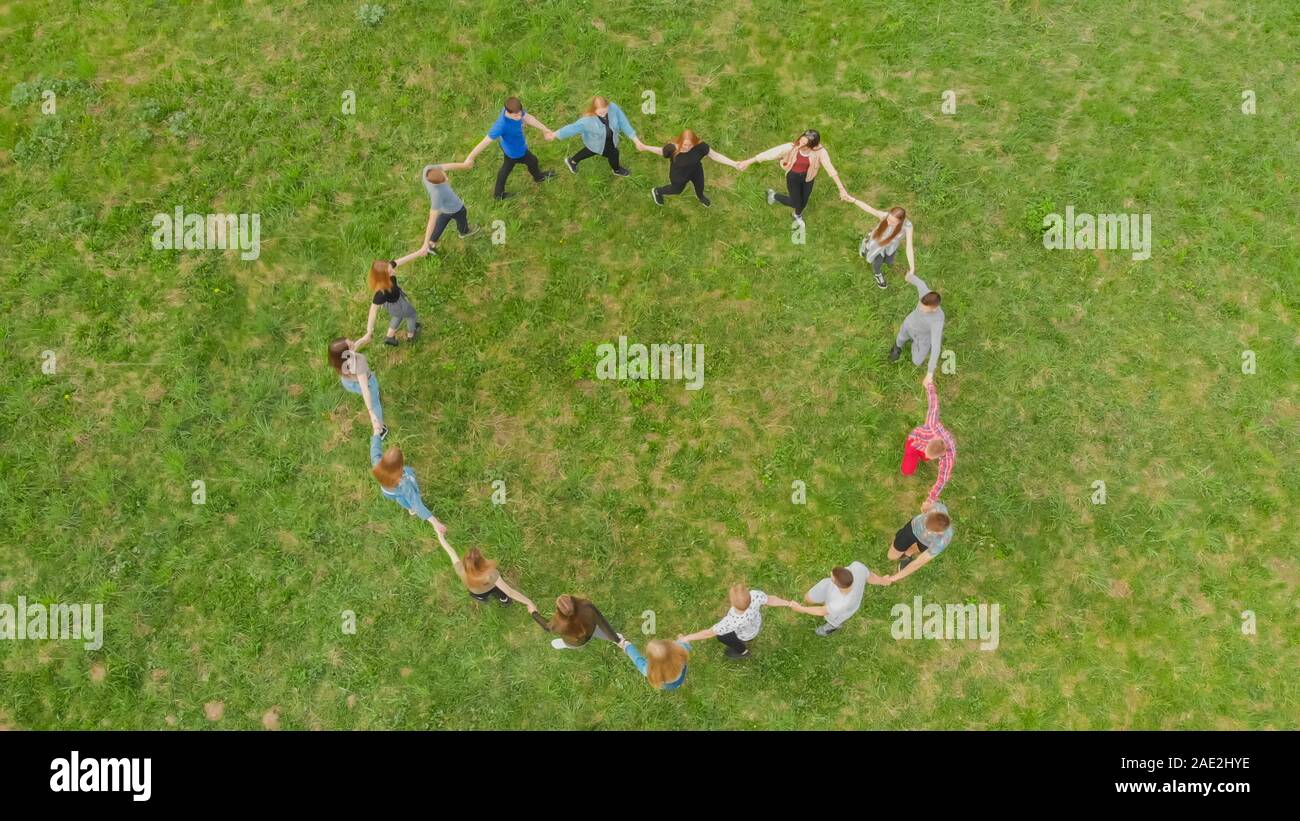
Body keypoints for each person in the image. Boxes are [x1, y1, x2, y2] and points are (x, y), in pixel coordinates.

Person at [738, 130, 848, 226]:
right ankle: (774, 196)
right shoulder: (791, 147)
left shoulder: (820, 152)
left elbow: (830, 169)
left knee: (804, 202)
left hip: (809, 178)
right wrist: (748, 162)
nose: (800, 144)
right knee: (796, 203)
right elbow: (770, 154)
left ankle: (797, 215)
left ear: (813, 146)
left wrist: (841, 189)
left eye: (805, 143)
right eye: (801, 140)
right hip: (793, 177)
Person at [463, 96, 558, 200]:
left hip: (507, 146)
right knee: (532, 161)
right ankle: (538, 177)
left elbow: (529, 118)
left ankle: (498, 194)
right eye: (516, 116)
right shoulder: (501, 125)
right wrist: (470, 157)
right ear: (508, 112)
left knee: (507, 168)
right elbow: (485, 142)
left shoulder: (514, 109)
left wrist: (545, 129)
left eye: (520, 114)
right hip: (516, 151)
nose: (519, 117)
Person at [676, 584, 796, 659]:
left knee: (721, 636)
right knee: (727, 634)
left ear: (732, 603)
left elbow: (708, 633)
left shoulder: (731, 621)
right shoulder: (755, 596)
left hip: (744, 635)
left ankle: (743, 652)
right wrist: (789, 603)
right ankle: (746, 644)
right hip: (755, 626)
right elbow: (771, 599)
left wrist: (686, 638)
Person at [632, 128, 741, 207]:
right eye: (684, 145)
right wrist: (645, 147)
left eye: (690, 145)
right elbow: (660, 151)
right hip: (679, 175)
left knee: (700, 186)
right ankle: (657, 191)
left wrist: (734, 164)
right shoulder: (672, 148)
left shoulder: (700, 146)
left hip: (695, 170)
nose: (687, 148)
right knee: (676, 190)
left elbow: (715, 155)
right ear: (679, 142)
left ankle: (700, 196)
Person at [369, 434, 448, 536]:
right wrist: (435, 522)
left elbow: (374, 450)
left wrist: (376, 434)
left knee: (399, 498)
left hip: (387, 492)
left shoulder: (377, 464)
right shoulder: (404, 484)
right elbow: (417, 504)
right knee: (407, 500)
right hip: (399, 492)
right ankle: (410, 509)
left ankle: (408, 507)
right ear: (399, 468)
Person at [433, 531, 536, 608]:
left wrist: (440, 535)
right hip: (492, 587)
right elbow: (510, 592)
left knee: (480, 596)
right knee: (501, 592)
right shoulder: (491, 575)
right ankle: (504, 600)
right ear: (482, 562)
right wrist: (529, 602)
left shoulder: (461, 569)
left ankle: (483, 599)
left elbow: (450, 550)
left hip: (477, 592)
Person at [790, 562, 890, 636]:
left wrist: (801, 609)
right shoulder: (857, 567)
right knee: (808, 597)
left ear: (837, 584)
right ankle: (822, 601)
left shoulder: (841, 604)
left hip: (839, 612)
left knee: (833, 619)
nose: (830, 573)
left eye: (832, 576)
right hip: (828, 588)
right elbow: (870, 576)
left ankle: (832, 626)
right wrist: (883, 581)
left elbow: (822, 611)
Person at [549, 96, 638, 177]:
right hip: (595, 142)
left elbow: (623, 122)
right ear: (593, 110)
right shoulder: (587, 121)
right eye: (600, 112)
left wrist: (635, 138)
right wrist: (555, 134)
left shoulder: (613, 108)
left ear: (608, 105)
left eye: (605, 110)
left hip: (609, 140)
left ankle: (572, 161)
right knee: (614, 153)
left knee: (590, 151)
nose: (603, 114)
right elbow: (572, 128)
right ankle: (617, 170)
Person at [902, 374, 956, 503]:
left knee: (910, 469)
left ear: (941, 455)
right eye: (927, 451)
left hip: (923, 447)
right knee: (906, 470)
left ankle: (921, 456)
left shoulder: (949, 456)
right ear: (931, 440)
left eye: (930, 457)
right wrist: (929, 384)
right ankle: (915, 455)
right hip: (915, 440)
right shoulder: (932, 425)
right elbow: (934, 404)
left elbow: (942, 478)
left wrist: (931, 499)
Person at [842, 195, 915, 290]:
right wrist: (854, 200)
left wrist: (912, 268)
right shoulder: (885, 216)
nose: (889, 223)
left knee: (889, 261)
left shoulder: (908, 226)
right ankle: (877, 273)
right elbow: (869, 209)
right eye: (889, 219)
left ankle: (867, 243)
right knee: (877, 262)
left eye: (893, 222)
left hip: (890, 246)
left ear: (901, 222)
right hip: (878, 243)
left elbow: (909, 247)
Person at [355, 253, 426, 349]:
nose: (393, 270)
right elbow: (373, 311)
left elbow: (400, 261)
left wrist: (420, 251)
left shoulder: (385, 272)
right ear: (383, 276)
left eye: (391, 268)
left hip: (391, 305)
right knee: (411, 315)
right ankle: (411, 336)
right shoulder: (381, 293)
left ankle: (390, 336)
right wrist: (369, 331)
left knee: (397, 315)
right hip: (399, 304)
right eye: (390, 271)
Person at [327, 338, 387, 439]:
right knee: (375, 403)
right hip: (367, 384)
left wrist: (366, 337)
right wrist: (371, 412)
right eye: (350, 344)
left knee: (363, 392)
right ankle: (380, 429)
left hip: (348, 383)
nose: (352, 342)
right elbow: (365, 389)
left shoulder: (338, 360)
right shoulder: (359, 362)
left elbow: (355, 346)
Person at [890, 273, 945, 375]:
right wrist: (909, 277)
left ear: (935, 308)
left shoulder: (937, 321)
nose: (921, 308)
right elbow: (920, 283)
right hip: (909, 324)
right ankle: (897, 348)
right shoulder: (925, 294)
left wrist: (930, 373)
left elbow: (936, 346)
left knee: (917, 361)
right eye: (921, 305)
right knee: (900, 338)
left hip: (922, 337)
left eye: (925, 308)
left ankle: (915, 345)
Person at [420, 162, 479, 255]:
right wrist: (424, 242)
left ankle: (431, 243)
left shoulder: (428, 169)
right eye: (444, 180)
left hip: (444, 209)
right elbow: (432, 219)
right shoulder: (437, 194)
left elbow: (447, 166)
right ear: (436, 183)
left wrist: (464, 165)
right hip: (456, 208)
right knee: (462, 214)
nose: (446, 179)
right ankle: (464, 232)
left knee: (443, 219)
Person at [887, 502, 954, 582]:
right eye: (926, 526)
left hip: (926, 542)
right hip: (913, 528)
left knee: (915, 548)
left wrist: (894, 578)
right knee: (891, 556)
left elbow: (918, 563)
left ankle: (908, 554)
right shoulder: (937, 507)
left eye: (930, 531)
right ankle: (906, 547)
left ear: (940, 533)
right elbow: (924, 509)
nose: (926, 533)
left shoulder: (941, 541)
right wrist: (924, 506)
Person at [529, 594, 622, 651]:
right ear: (574, 601)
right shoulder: (588, 608)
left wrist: (534, 613)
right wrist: (617, 639)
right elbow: (602, 623)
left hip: (576, 643)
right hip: (591, 630)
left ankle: (563, 644)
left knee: (568, 644)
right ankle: (615, 640)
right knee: (600, 631)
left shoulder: (557, 625)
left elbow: (546, 626)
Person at [618, 637, 690, 691]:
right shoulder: (681, 655)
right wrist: (681, 639)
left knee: (670, 686)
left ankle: (678, 685)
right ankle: (680, 683)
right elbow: (685, 644)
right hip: (681, 675)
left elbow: (637, 659)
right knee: (680, 680)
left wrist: (626, 645)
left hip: (669, 685)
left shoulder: (649, 670)